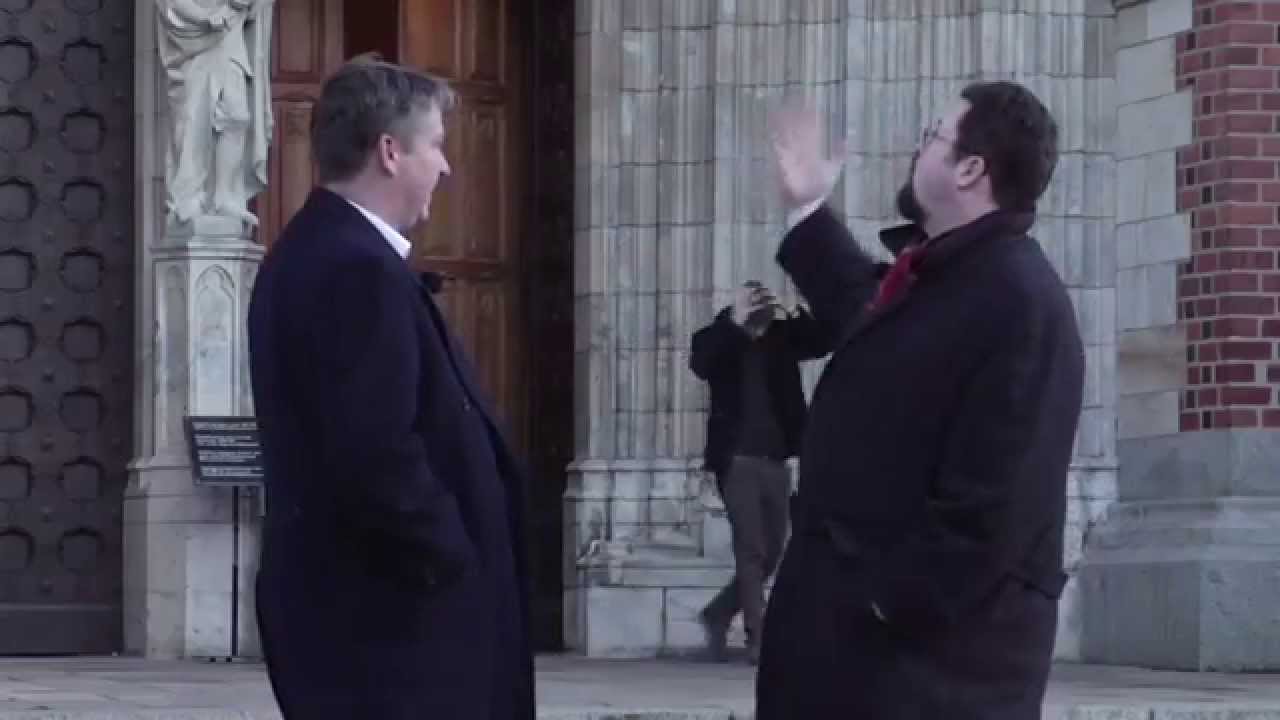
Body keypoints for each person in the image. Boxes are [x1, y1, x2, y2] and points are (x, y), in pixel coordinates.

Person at [755, 81, 1085, 718]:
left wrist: (879, 602)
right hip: (864, 663)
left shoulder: (1021, 301)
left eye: (934, 135)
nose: (919, 146)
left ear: (970, 168)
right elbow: (871, 313)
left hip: (926, 679)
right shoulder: (954, 277)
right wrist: (808, 206)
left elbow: (995, 511)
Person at [247, 57, 533, 719]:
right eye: (435, 145)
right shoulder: (354, 271)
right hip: (394, 631)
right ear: (389, 151)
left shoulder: (323, 252)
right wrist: (456, 563)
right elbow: (376, 453)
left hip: (376, 620)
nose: (446, 166)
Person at [689, 282, 825, 665]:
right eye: (753, 302)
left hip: (777, 459)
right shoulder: (719, 339)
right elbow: (701, 364)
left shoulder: (782, 339)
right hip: (737, 461)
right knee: (751, 550)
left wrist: (796, 308)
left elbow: (822, 341)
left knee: (773, 553)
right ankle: (758, 639)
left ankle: (717, 613)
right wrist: (734, 319)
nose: (758, 309)